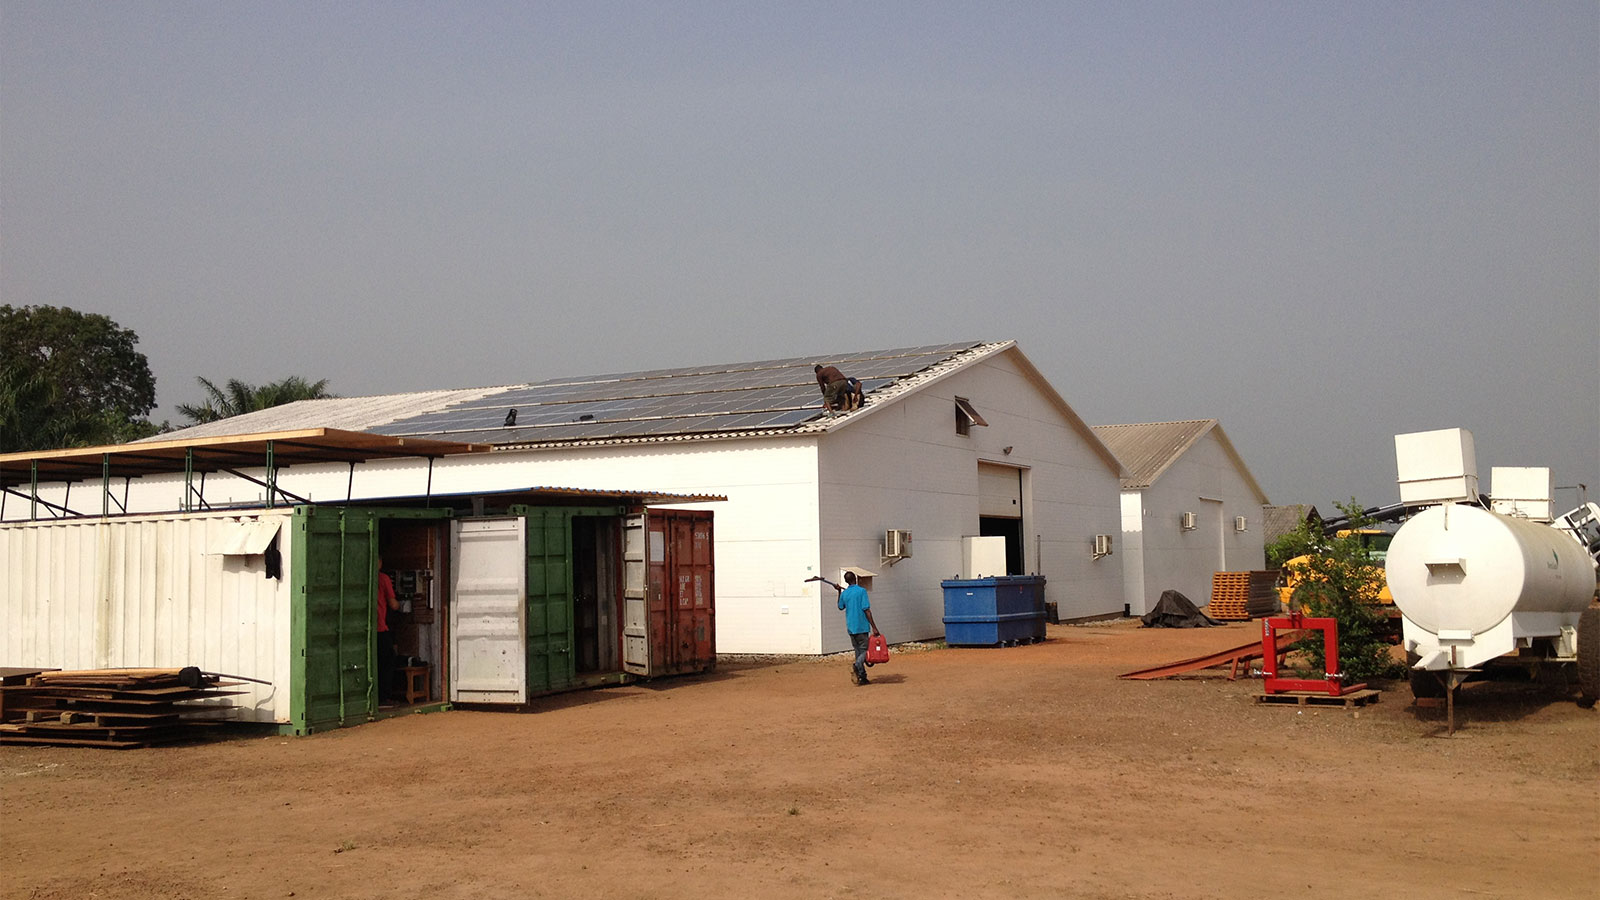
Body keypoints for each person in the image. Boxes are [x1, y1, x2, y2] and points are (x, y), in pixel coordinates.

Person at [833, 571, 880, 685]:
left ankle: (862, 677)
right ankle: (856, 665)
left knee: (858, 652)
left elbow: (840, 606)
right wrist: (874, 627)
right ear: (855, 578)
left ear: (846, 581)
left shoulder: (845, 593)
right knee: (865, 650)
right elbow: (866, 610)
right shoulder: (861, 591)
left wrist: (839, 592)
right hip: (862, 626)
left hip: (851, 627)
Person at [375, 555, 401, 704]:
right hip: (380, 627)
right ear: (379, 562)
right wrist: (399, 604)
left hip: (368, 628)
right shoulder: (383, 578)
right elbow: (393, 604)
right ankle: (383, 697)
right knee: (388, 661)